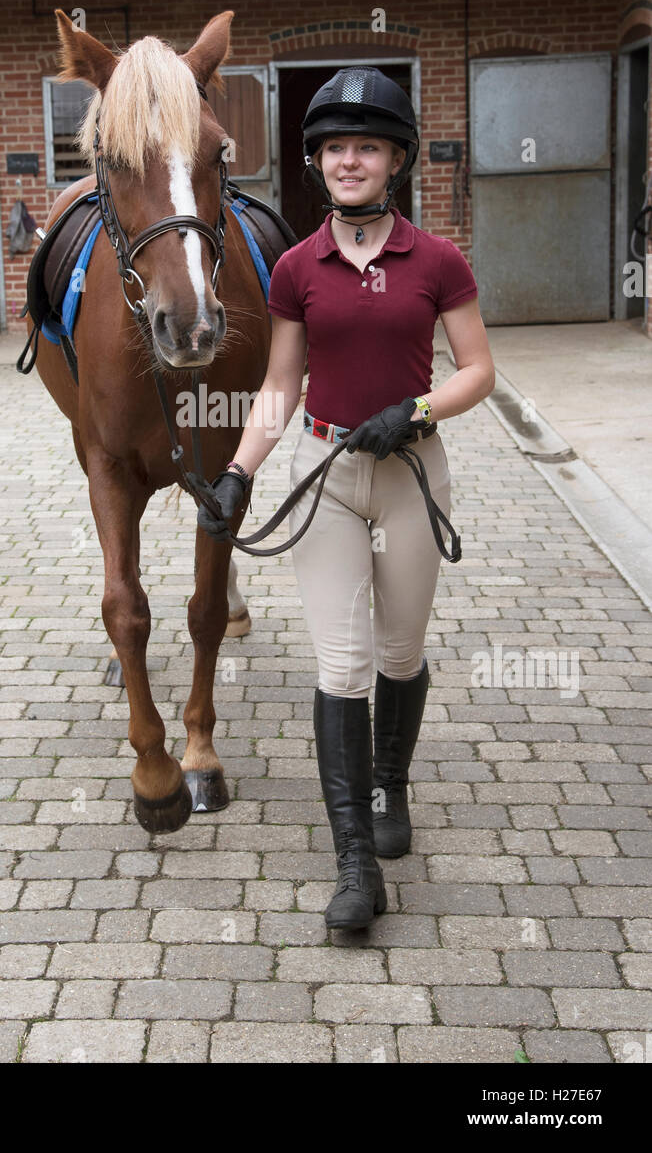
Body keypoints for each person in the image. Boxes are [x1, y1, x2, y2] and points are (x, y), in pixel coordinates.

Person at [197, 66, 495, 931]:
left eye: (366, 146)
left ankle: (390, 781)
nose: (349, 161)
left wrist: (417, 409)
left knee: (399, 654)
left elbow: (478, 369)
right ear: (317, 161)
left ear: (395, 160)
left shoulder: (437, 259)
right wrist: (241, 473)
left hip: (410, 475)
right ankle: (355, 861)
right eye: (335, 148)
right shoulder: (297, 266)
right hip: (325, 476)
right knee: (341, 666)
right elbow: (281, 385)